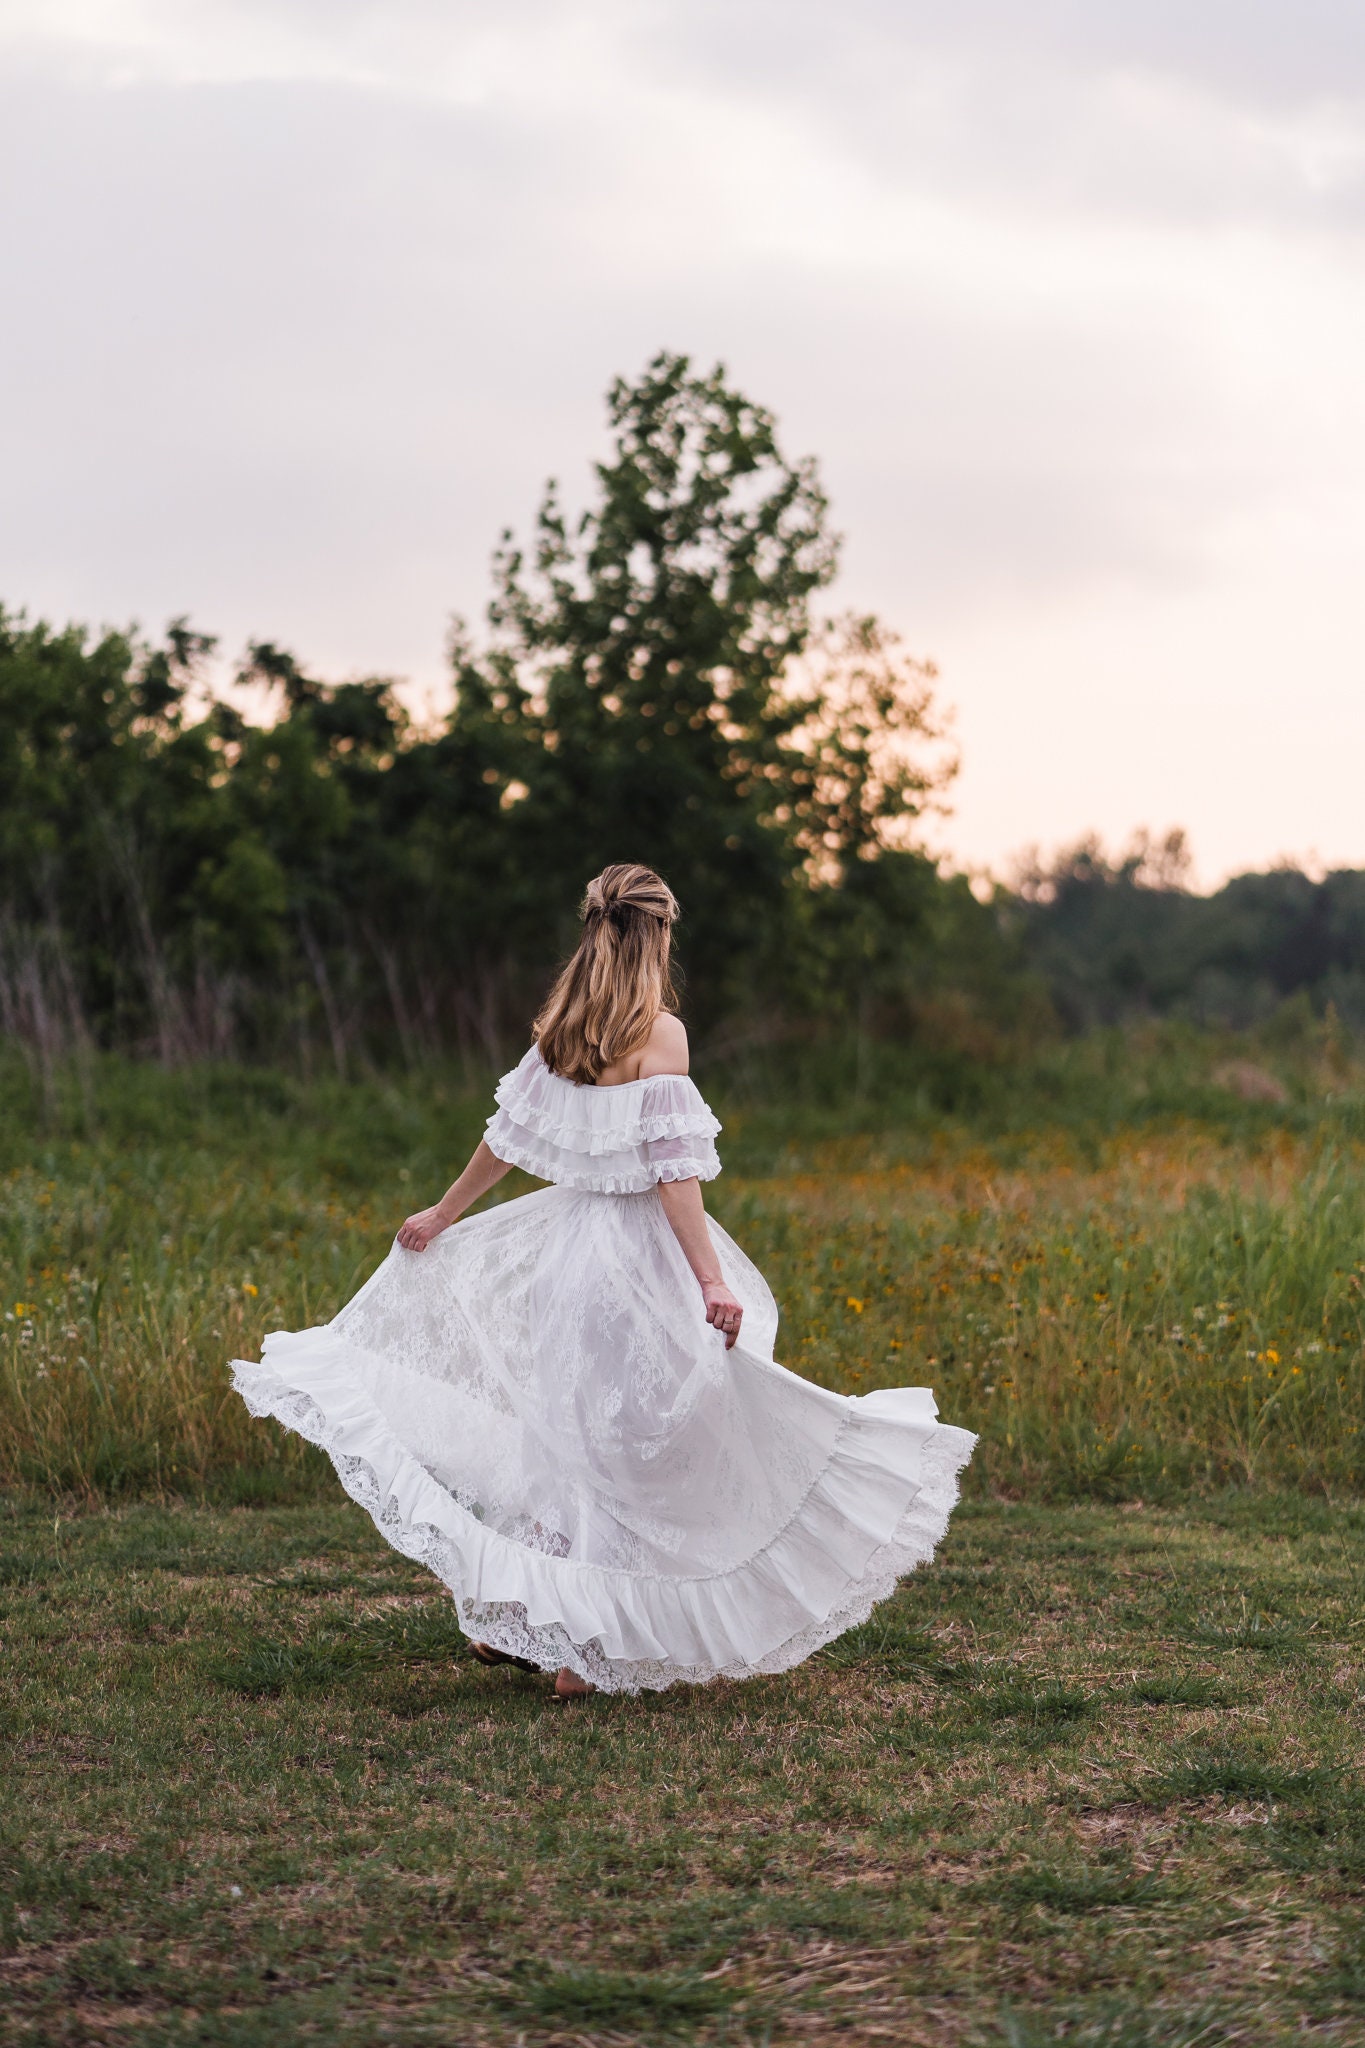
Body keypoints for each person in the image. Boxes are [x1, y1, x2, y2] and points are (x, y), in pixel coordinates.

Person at [231, 863, 975, 1698]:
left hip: (564, 1253)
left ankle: (534, 1620)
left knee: (566, 1439)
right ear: (658, 936)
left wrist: (442, 1213)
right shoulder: (661, 1034)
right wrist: (710, 1280)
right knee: (636, 1449)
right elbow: (673, 1175)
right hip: (633, 1259)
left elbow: (503, 1141)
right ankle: (582, 1649)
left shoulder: (563, 1026)